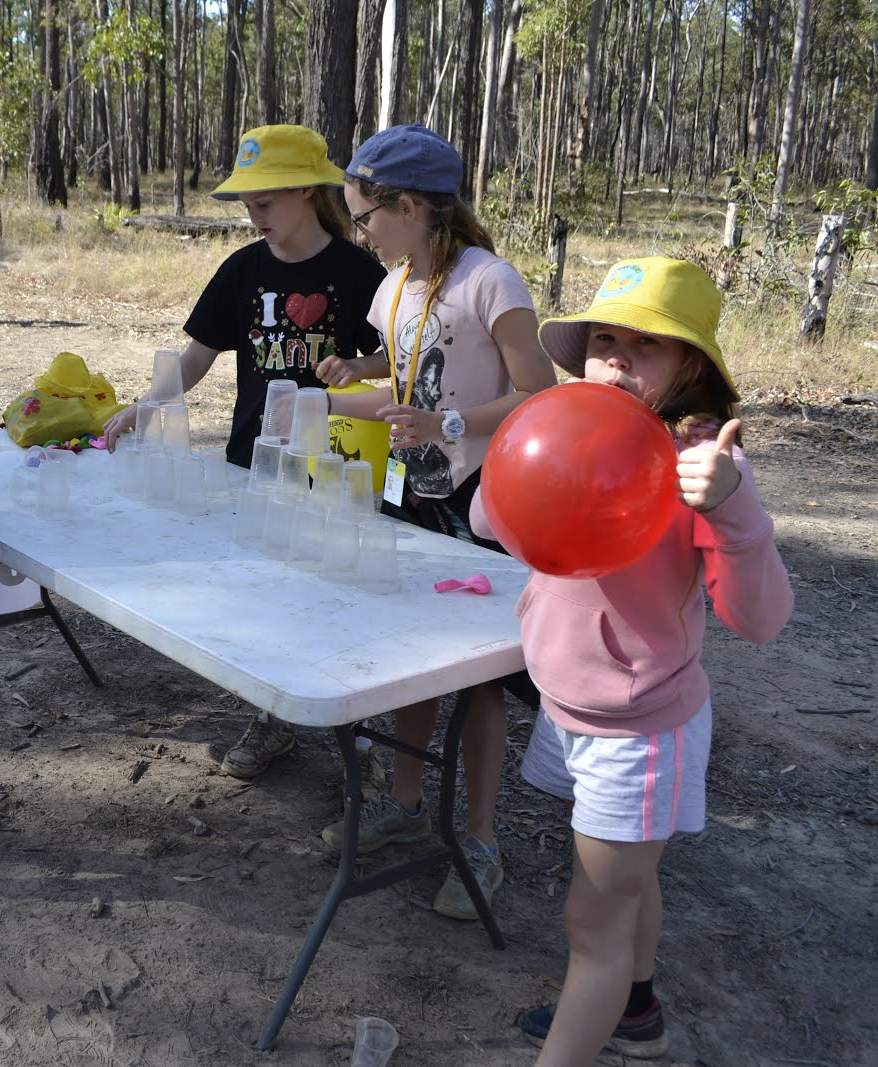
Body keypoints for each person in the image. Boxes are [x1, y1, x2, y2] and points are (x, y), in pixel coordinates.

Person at [478, 258, 792, 1062]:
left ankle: (598, 1013)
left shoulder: (702, 470)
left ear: (691, 366)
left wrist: (733, 508)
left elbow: (760, 620)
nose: (617, 357)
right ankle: (635, 1011)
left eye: (647, 345)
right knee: (629, 880)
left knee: (593, 922)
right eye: (603, 340)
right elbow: (488, 519)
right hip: (571, 706)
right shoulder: (574, 428)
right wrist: (532, 448)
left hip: (639, 730)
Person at [319, 123, 558, 920]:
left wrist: (448, 426)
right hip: (410, 493)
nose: (360, 234)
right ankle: (406, 803)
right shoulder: (393, 289)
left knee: (480, 673)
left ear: (411, 207)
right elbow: (411, 371)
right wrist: (339, 386)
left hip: (480, 498)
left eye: (364, 217)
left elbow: (539, 394)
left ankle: (481, 841)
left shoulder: (491, 281)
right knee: (410, 651)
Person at [101, 124, 387, 782]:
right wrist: (147, 405)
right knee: (272, 594)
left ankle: (360, 734)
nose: (254, 216)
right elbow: (197, 355)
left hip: (332, 467)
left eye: (265, 202)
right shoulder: (242, 270)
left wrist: (357, 366)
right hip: (253, 461)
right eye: (247, 205)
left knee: (339, 599)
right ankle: (276, 712)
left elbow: (398, 360)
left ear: (308, 191)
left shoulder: (358, 272)